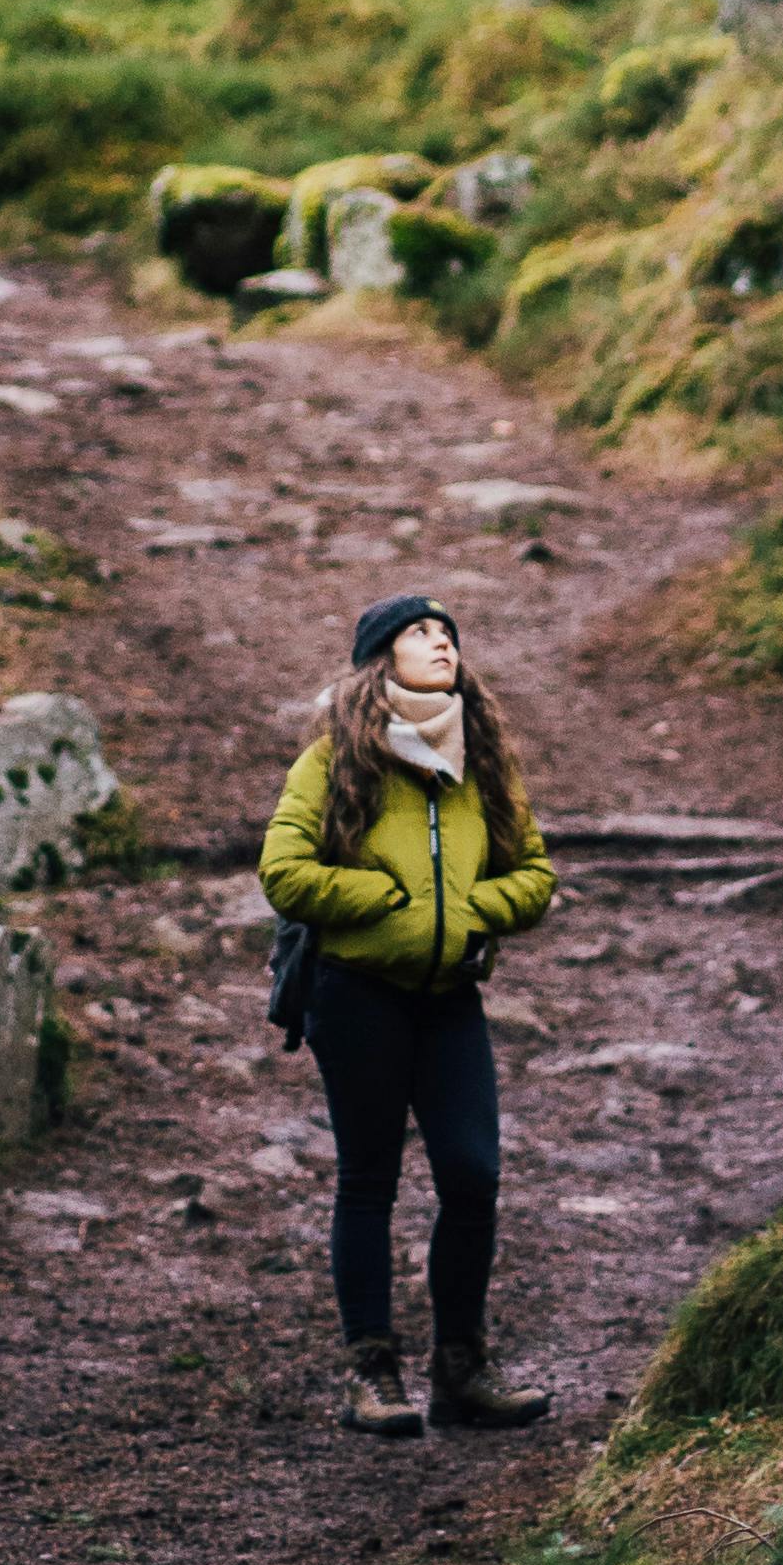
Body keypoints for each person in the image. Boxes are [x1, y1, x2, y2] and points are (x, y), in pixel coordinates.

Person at [260, 591, 557, 1435]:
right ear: (379, 658)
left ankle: (461, 1372)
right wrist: (380, 897)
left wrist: (472, 911)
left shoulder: (484, 759)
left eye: (448, 634)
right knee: (369, 1181)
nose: (440, 643)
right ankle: (372, 1374)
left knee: (473, 1177)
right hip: (356, 997)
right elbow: (283, 871)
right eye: (419, 633)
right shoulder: (332, 760)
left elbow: (534, 874)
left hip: (449, 998)